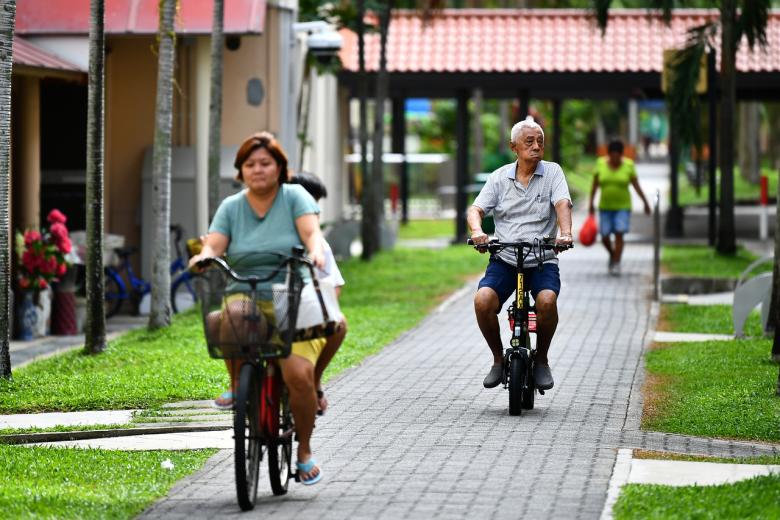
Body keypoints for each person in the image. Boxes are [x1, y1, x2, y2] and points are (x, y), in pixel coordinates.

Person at [189, 132, 325, 485]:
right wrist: (204, 257)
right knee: (228, 318)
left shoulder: (294, 196)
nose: (257, 170)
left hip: (288, 292)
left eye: (265, 163)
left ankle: (304, 450)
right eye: (250, 165)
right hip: (244, 289)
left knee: (298, 377)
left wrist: (315, 251)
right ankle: (238, 385)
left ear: (280, 167)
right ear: (240, 171)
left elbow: (311, 234)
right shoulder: (232, 206)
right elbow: (215, 244)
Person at [467, 116, 573, 391]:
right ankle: (497, 359)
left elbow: (562, 204)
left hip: (541, 258)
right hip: (505, 258)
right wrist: (478, 232)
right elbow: (475, 209)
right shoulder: (499, 177)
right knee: (482, 301)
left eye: (540, 141)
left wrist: (565, 234)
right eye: (529, 142)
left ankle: (542, 360)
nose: (536, 146)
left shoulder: (552, 172)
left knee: (547, 301)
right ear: (513, 147)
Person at [288, 172, 347, 415]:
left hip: (306, 307)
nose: (314, 212)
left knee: (338, 323)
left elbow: (333, 286)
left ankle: (316, 380)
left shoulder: (319, 244)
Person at [588, 139, 651, 276]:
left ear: (622, 155)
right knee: (604, 236)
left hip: (623, 207)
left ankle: (616, 262)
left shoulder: (628, 166)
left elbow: (636, 185)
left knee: (619, 234)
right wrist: (591, 204)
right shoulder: (600, 164)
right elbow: (594, 186)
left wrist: (645, 202)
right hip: (605, 207)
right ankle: (613, 254)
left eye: (618, 155)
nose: (615, 158)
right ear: (609, 154)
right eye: (612, 155)